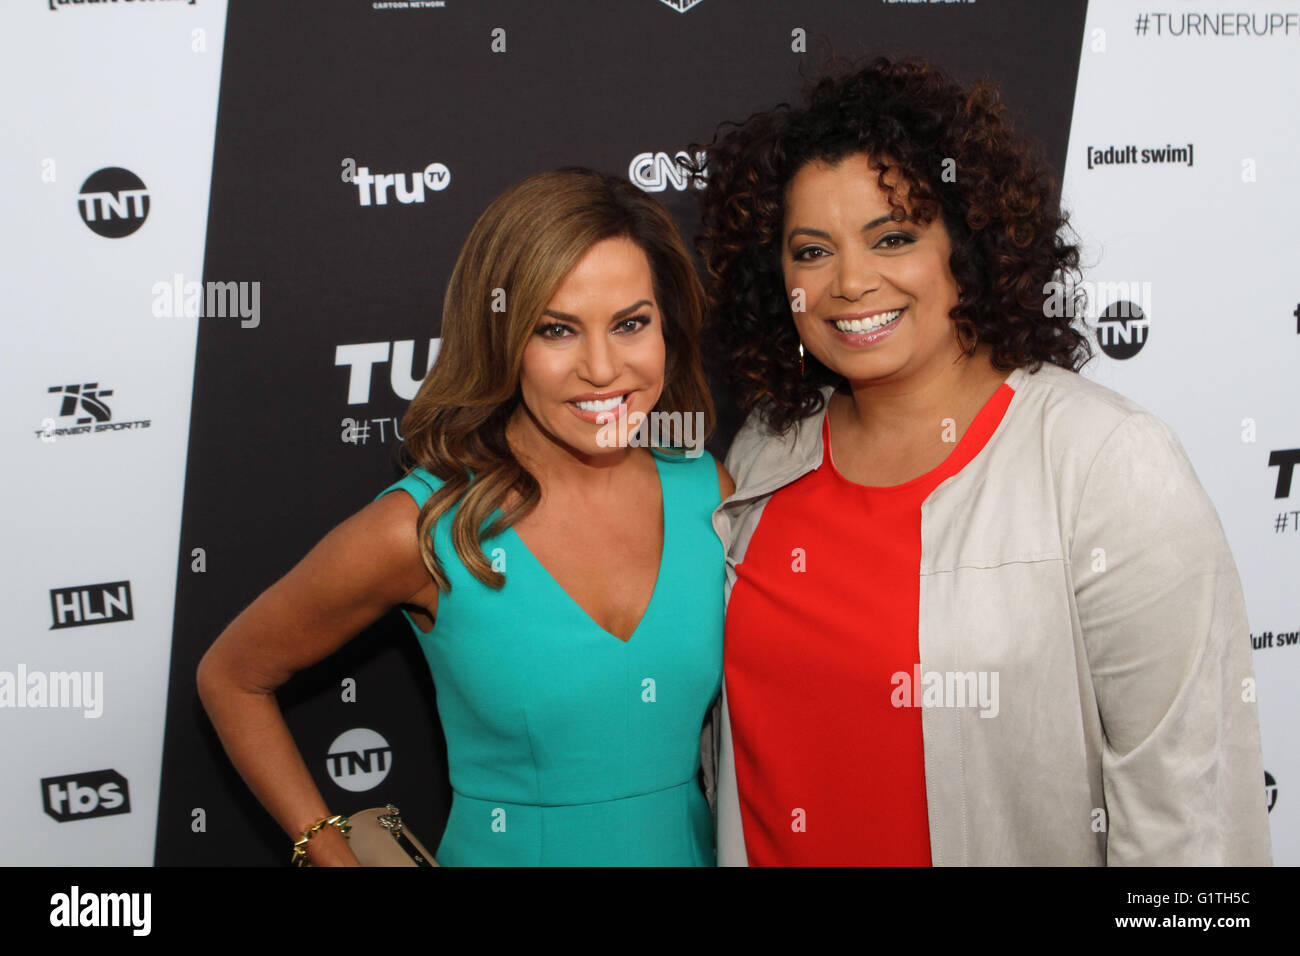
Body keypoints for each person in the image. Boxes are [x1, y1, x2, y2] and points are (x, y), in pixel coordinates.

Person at [689, 55, 1272, 865]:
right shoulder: (764, 452)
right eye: (811, 251)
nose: (851, 281)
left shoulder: (1104, 464)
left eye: (893, 238)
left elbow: (1194, 821)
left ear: (967, 247)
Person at [197, 167, 732, 866]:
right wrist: (323, 849)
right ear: (502, 338)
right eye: (556, 329)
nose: (603, 368)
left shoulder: (709, 490)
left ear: (668, 326)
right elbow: (232, 676)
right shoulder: (423, 528)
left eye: (631, 323)